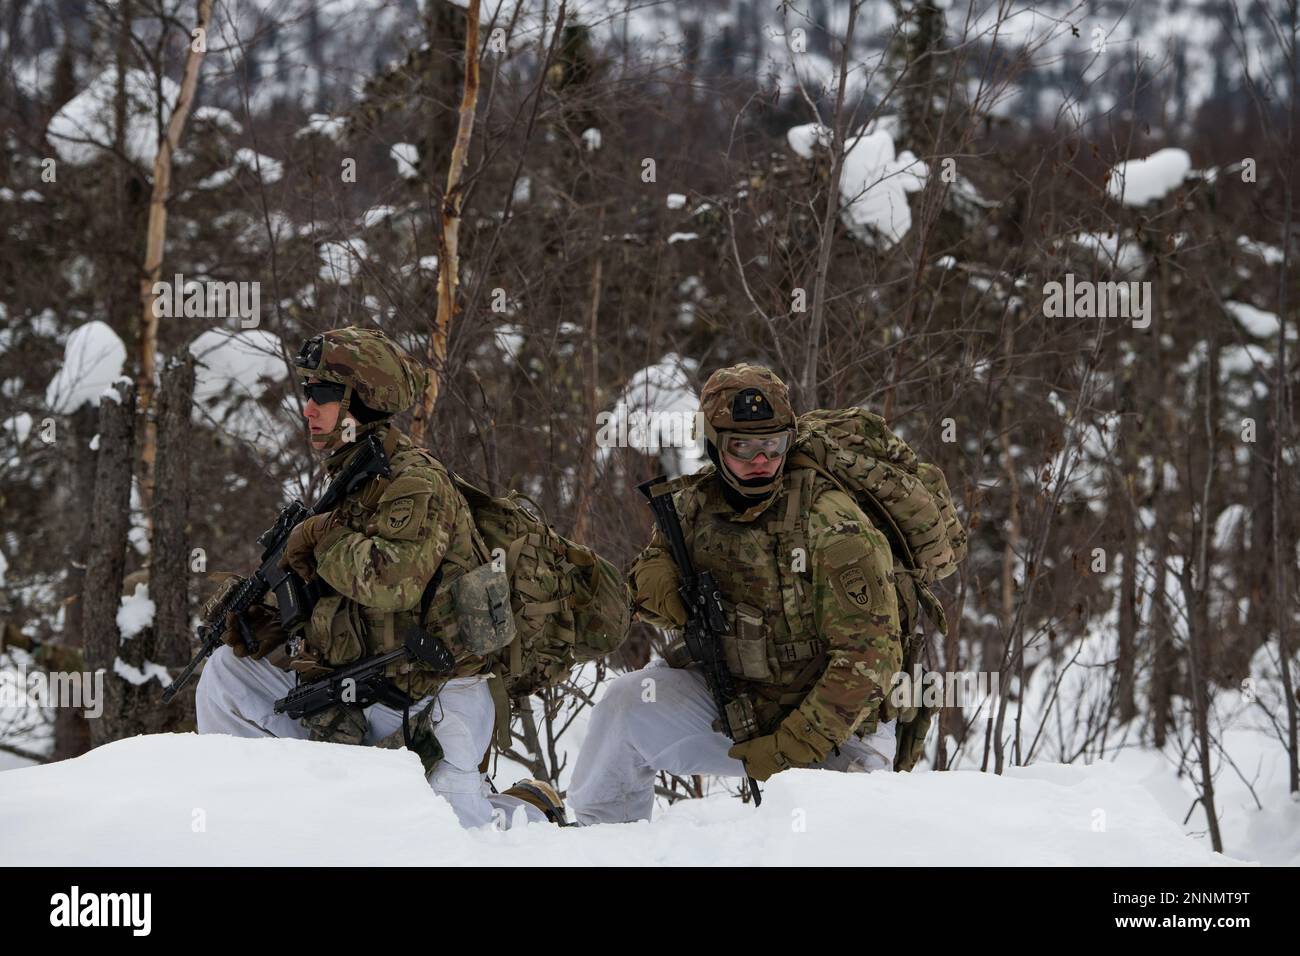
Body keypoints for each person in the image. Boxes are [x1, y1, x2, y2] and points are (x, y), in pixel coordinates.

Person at [194, 326, 565, 828]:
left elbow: (395, 582)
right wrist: (272, 619)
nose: (307, 408)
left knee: (448, 838)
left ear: (361, 403)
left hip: (435, 700)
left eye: (322, 396)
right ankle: (250, 831)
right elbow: (344, 602)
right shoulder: (352, 482)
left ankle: (533, 816)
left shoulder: (414, 481)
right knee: (225, 675)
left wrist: (319, 538)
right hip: (360, 694)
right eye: (307, 394)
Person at [567, 364, 902, 825]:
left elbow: (869, 662)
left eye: (774, 445)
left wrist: (787, 749)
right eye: (742, 446)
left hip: (839, 724)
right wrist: (665, 590)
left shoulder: (831, 522)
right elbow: (647, 570)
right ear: (713, 445)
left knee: (831, 834)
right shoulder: (694, 505)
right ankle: (604, 842)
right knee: (627, 707)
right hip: (738, 699)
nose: (761, 460)